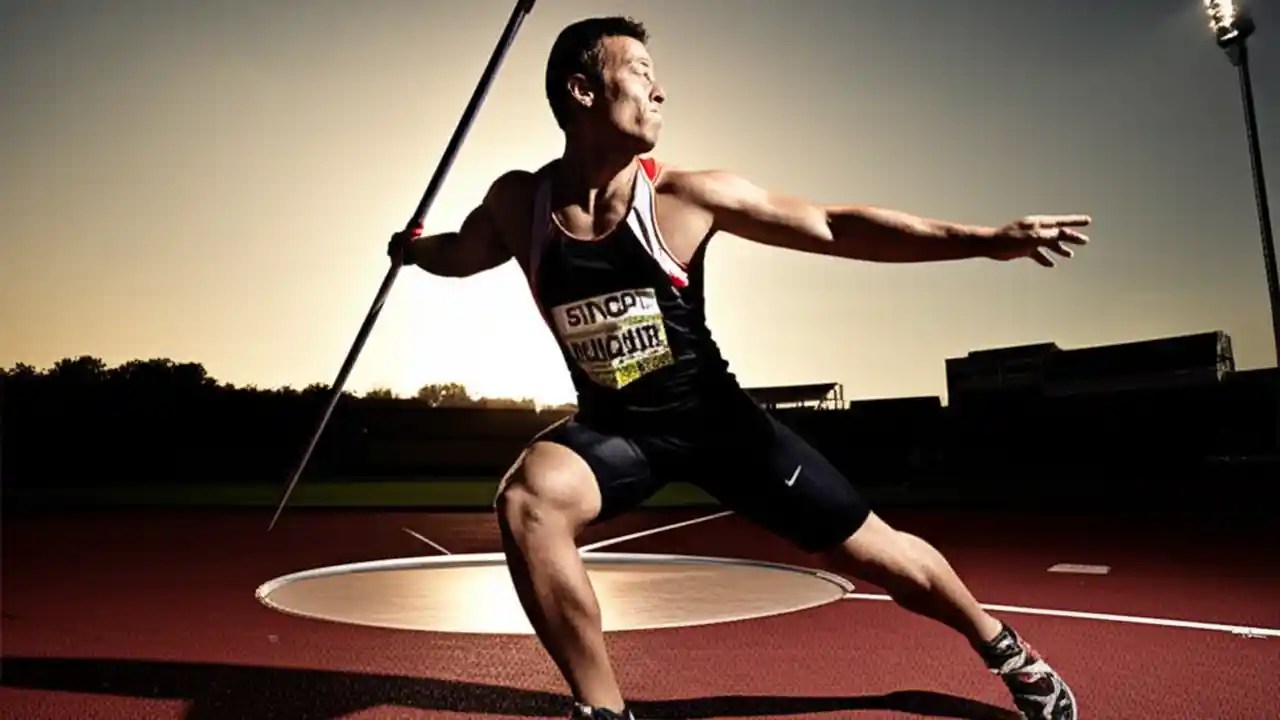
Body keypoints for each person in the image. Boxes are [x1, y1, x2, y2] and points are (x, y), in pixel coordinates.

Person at [389, 16, 1086, 720]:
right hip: (618, 434)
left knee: (885, 558)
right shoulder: (519, 203)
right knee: (527, 500)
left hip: (721, 429)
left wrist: (987, 240)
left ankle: (1006, 651)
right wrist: (413, 249)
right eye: (637, 71)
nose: (659, 90)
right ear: (582, 90)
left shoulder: (685, 198)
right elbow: (462, 253)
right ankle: (604, 711)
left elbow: (835, 225)